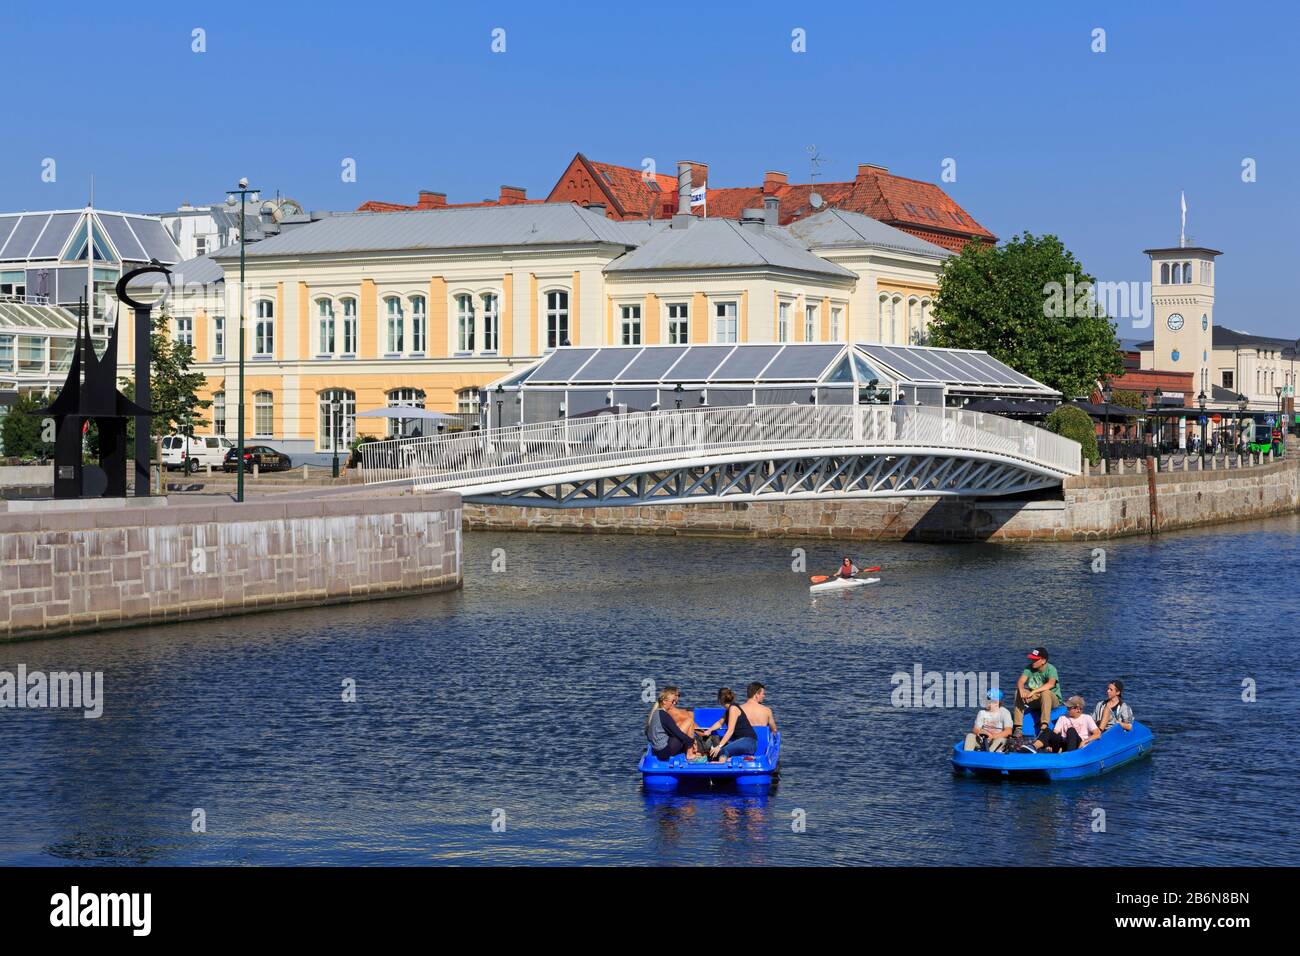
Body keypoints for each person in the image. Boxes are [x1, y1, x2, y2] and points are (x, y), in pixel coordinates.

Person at [1012, 647, 1061, 741]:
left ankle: (1044, 726)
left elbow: (1050, 684)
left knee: (1045, 692)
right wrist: (1021, 689)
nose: (1032, 661)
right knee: (1018, 691)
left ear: (1043, 660)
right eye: (1032, 659)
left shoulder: (1051, 669)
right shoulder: (1029, 668)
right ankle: (1018, 727)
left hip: (1052, 700)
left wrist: (1034, 691)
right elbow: (1021, 681)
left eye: (1035, 659)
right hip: (1035, 698)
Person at [699, 687, 758, 761]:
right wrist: (709, 730)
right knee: (717, 743)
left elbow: (730, 730)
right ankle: (725, 760)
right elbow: (720, 723)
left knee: (723, 750)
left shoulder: (733, 708)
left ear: (720, 700)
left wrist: (719, 746)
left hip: (749, 742)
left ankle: (720, 767)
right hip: (741, 741)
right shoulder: (728, 710)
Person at [645, 686, 698, 761]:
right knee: (689, 721)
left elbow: (649, 736)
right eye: (673, 701)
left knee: (680, 725)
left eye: (675, 701)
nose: (674, 703)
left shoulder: (656, 713)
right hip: (665, 752)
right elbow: (678, 734)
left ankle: (688, 750)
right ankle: (690, 754)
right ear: (664, 701)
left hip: (657, 750)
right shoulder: (664, 715)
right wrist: (692, 742)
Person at [1031, 695, 1100, 753]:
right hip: (1064, 745)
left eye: (1069, 708)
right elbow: (1055, 733)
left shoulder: (1087, 718)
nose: (1067, 709)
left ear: (1078, 709)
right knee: (1047, 731)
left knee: (1071, 730)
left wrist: (1085, 741)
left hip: (1078, 745)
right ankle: (1032, 748)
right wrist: (1048, 744)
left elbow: (1097, 734)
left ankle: (1070, 756)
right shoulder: (1062, 718)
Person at [964, 688, 1014, 752]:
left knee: (1002, 740)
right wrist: (979, 733)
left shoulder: (1005, 713)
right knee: (970, 736)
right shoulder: (982, 713)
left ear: (996, 702)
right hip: (983, 739)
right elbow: (975, 729)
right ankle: (968, 755)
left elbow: (1008, 731)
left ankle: (989, 755)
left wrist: (992, 736)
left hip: (997, 738)